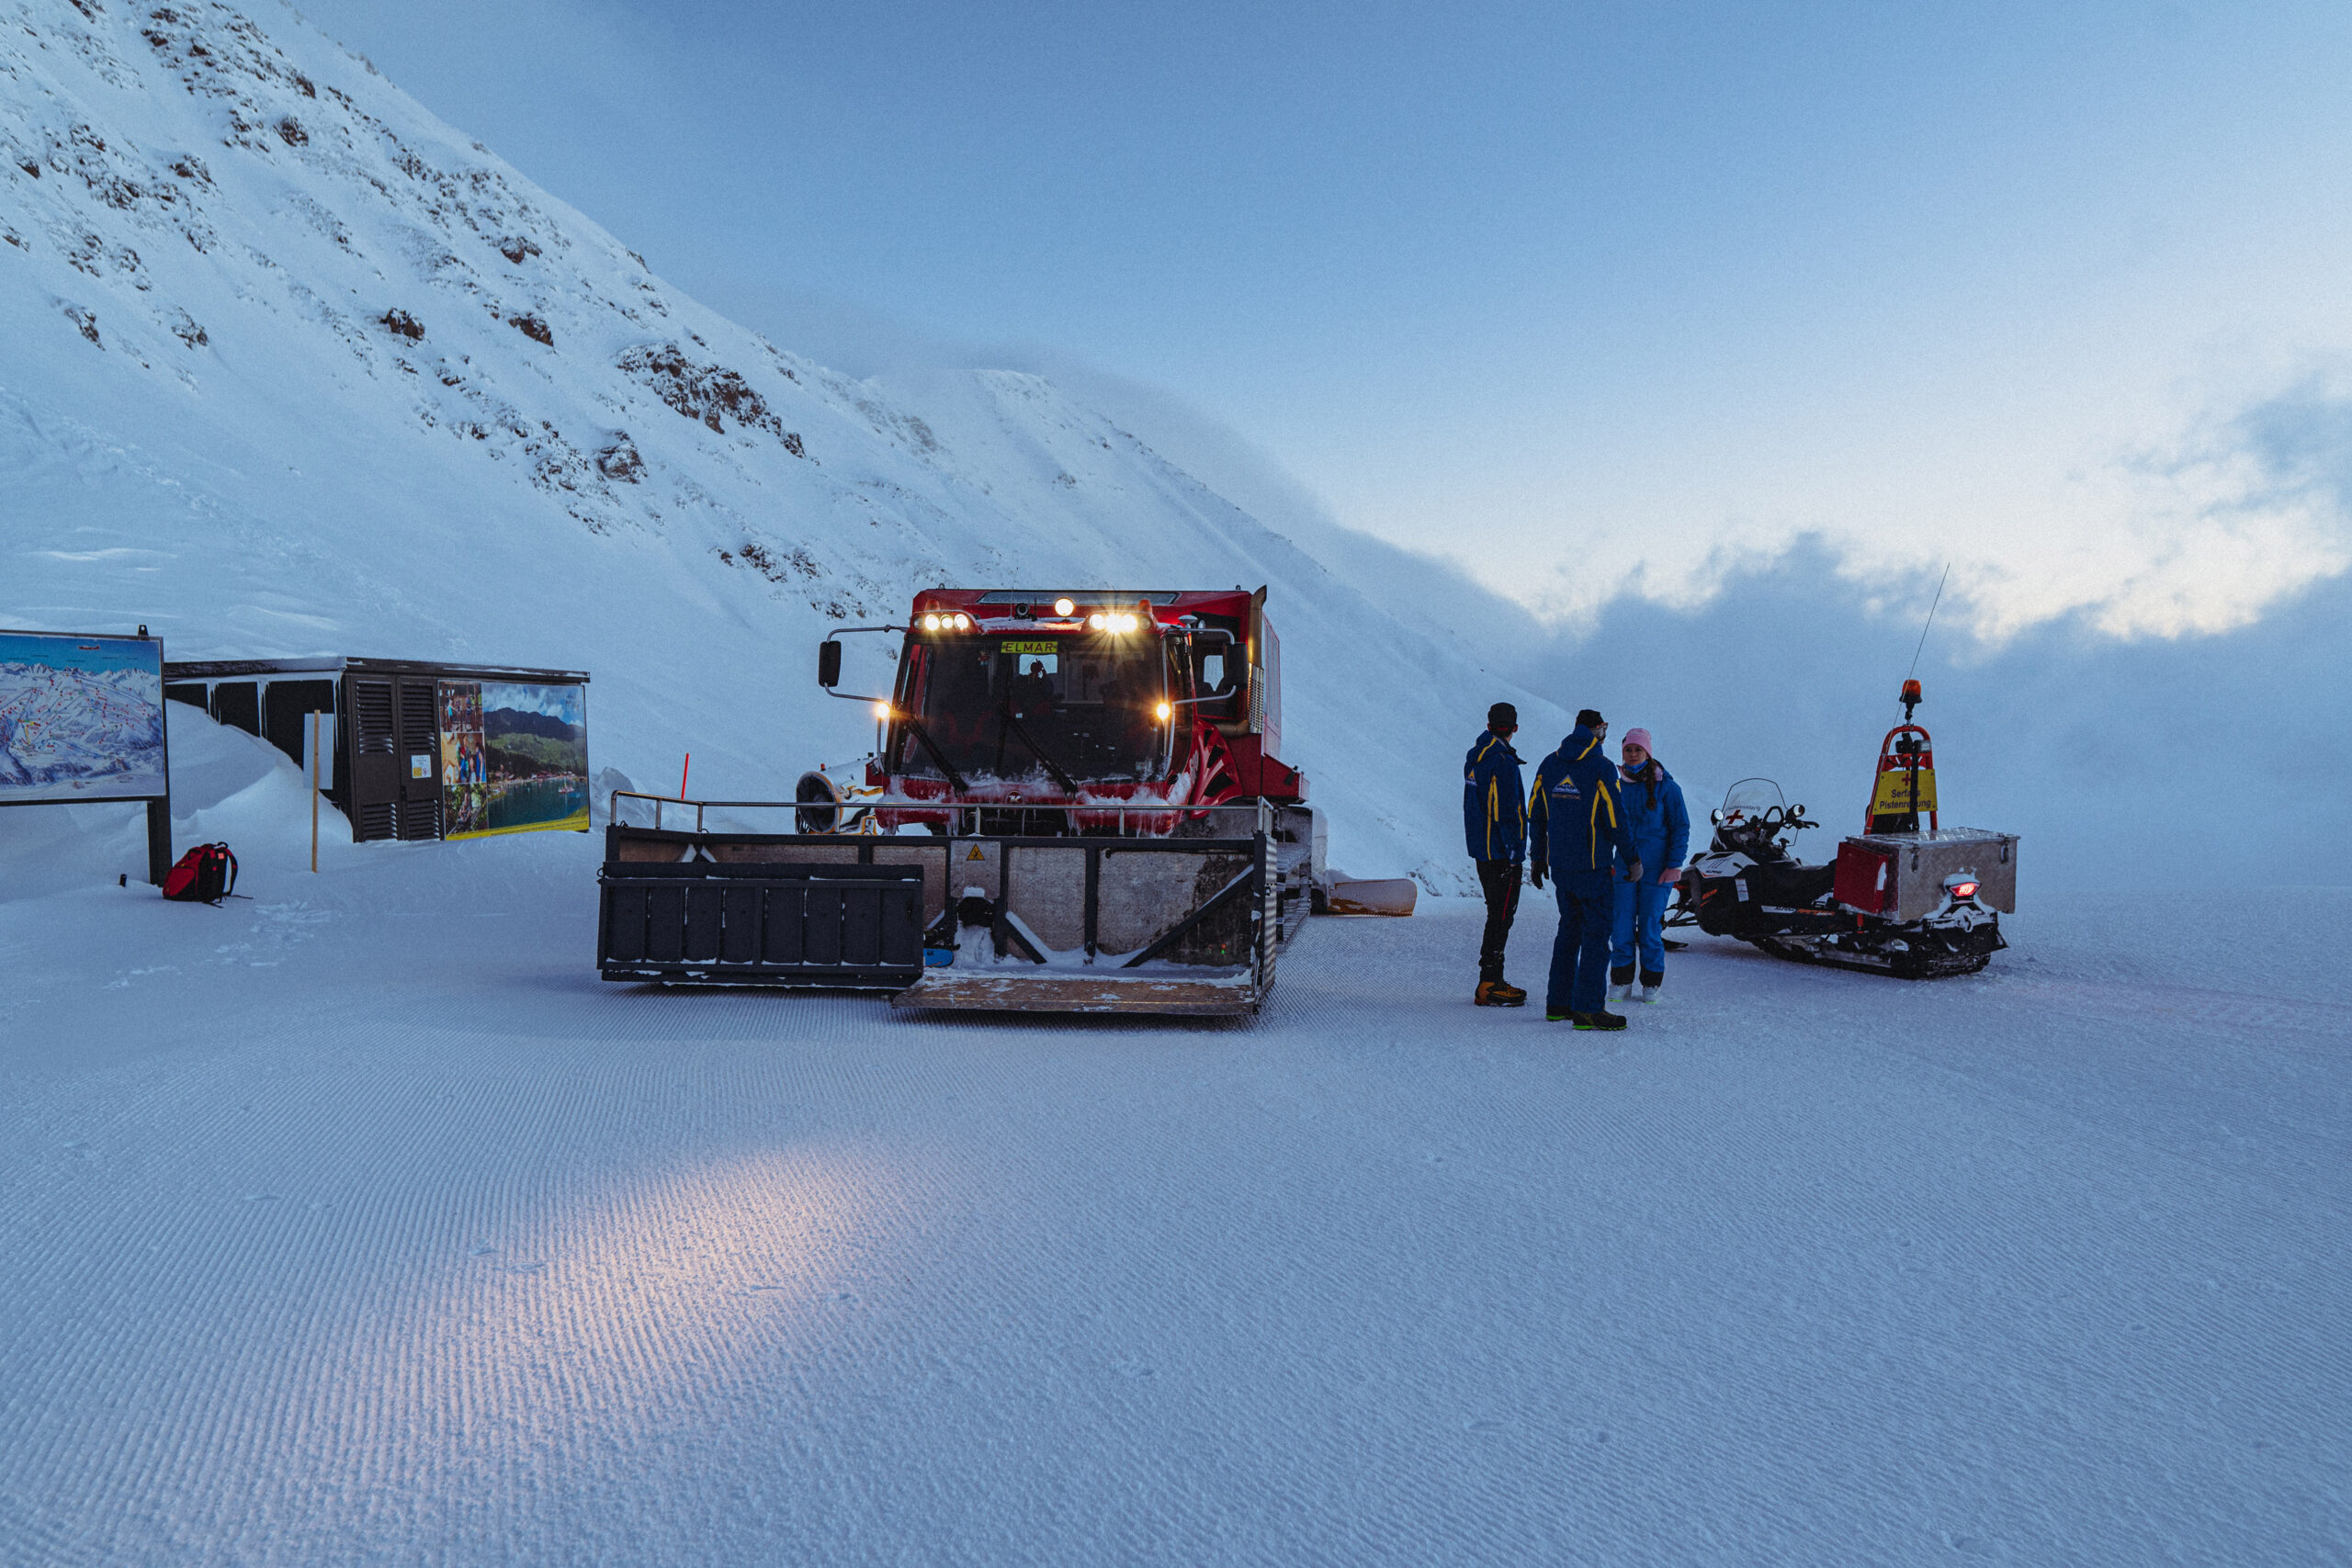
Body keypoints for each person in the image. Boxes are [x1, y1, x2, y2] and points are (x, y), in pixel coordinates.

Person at [1528, 710, 1642, 1029]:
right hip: (1593, 867)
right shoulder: (1601, 768)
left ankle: (1558, 1003)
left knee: (1568, 931)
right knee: (1595, 936)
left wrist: (1538, 857)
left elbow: (1535, 812)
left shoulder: (1550, 764)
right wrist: (1632, 858)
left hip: (1561, 867)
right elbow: (1616, 818)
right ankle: (1588, 1010)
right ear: (1599, 730)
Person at [1608, 728, 1689, 1005]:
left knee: (1650, 926)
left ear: (1648, 753)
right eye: (1628, 749)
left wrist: (1674, 865)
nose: (1632, 754)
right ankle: (1620, 980)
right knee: (1620, 925)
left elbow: (1681, 827)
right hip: (1624, 867)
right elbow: (1605, 826)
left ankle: (1651, 982)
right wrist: (1608, 862)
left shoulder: (1667, 786)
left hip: (1658, 868)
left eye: (1637, 750)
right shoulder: (1615, 784)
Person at [1462, 701, 1528, 1006]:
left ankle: (1491, 979)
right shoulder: (1502, 761)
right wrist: (1516, 853)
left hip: (1483, 850)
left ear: (1489, 726)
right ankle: (1489, 983)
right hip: (1501, 853)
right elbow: (1509, 812)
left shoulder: (1476, 757)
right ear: (1514, 728)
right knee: (1501, 917)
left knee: (1496, 915)